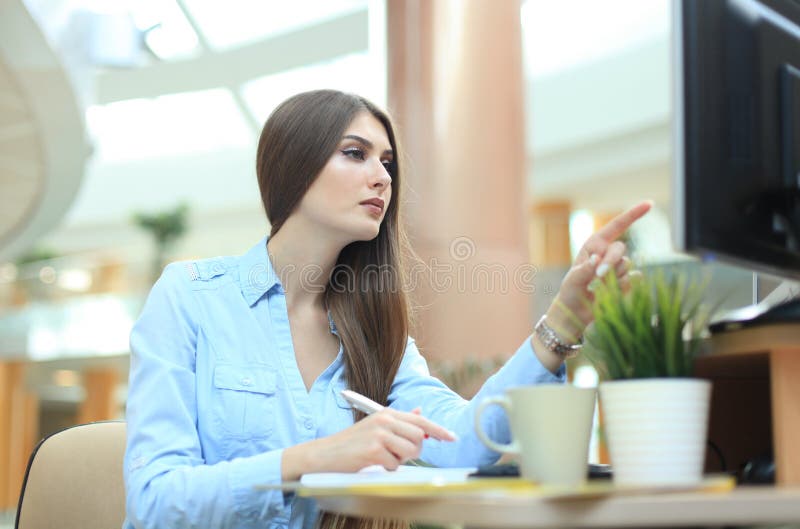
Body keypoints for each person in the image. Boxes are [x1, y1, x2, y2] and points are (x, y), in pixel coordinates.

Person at [123, 89, 651, 529]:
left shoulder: (375, 334)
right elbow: (154, 501)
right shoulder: (190, 298)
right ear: (293, 165)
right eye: (356, 153)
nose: (382, 177)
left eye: (387, 162)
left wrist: (560, 324)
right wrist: (311, 460)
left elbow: (465, 444)